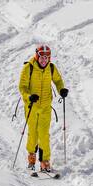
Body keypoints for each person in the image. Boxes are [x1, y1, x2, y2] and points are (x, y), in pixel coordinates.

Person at [18, 44, 68, 173]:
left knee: (44, 134)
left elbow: (58, 80)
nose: (44, 60)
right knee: (33, 133)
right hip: (31, 106)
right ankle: (31, 156)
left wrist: (61, 89)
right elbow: (22, 87)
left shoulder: (51, 68)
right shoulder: (28, 68)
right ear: (37, 56)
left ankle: (45, 161)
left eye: (47, 57)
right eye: (42, 57)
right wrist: (29, 97)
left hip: (45, 106)